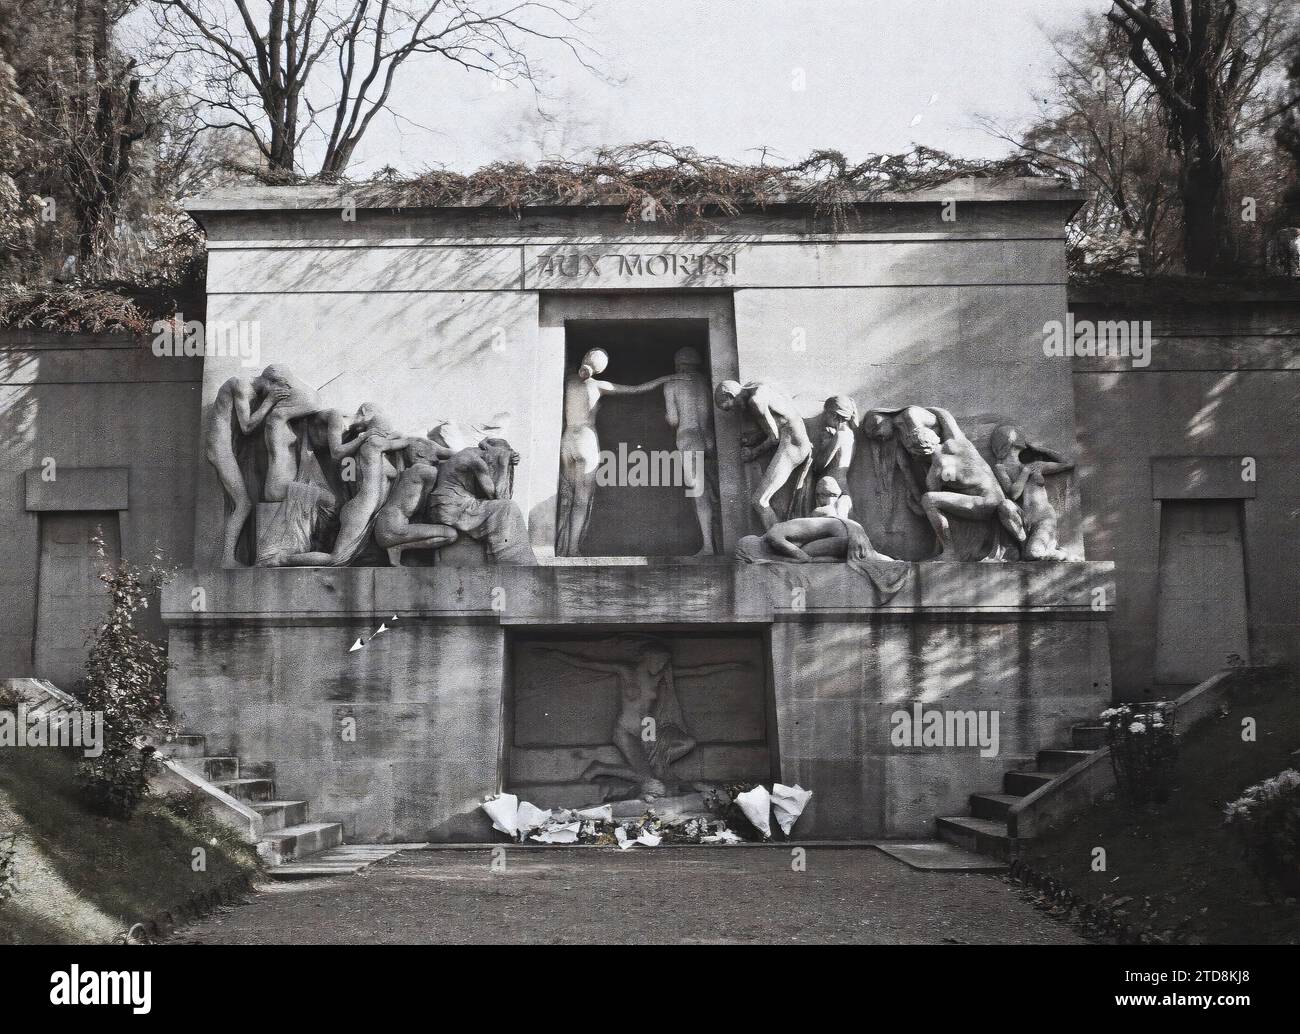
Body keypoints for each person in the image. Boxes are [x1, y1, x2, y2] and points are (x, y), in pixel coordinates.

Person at [556, 349, 671, 556]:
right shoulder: (598, 385)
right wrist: (667, 378)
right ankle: (572, 549)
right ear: (601, 369)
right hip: (585, 438)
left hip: (567, 439)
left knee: (566, 495)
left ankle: (561, 547)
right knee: (582, 499)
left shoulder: (567, 382)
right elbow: (637, 389)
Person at [205, 375, 288, 565]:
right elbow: (247, 426)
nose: (275, 395)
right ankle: (226, 559)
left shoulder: (249, 391)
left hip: (228, 448)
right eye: (276, 390)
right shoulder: (240, 384)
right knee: (244, 504)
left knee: (239, 503)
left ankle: (228, 557)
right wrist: (269, 401)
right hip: (220, 448)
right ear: (269, 382)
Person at [713, 379, 812, 530]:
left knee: (759, 501)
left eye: (729, 407)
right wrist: (753, 438)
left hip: (793, 446)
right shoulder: (758, 386)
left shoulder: (755, 401)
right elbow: (779, 423)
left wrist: (752, 453)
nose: (735, 411)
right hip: (794, 440)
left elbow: (774, 438)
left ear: (729, 395)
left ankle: (779, 543)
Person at [662, 347, 720, 555]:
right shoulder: (705, 382)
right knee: (715, 492)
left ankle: (708, 546)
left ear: (678, 364)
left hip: (687, 438)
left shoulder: (672, 384)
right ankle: (715, 543)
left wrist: (666, 417)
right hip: (710, 439)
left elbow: (674, 419)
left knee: (700, 494)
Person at [990, 424, 1075, 560]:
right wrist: (1025, 473)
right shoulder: (1001, 468)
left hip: (1044, 518)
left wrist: (1040, 449)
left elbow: (1069, 463)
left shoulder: (1036, 466)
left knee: (1034, 554)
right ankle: (1033, 547)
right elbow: (1014, 494)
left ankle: (1059, 552)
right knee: (1005, 505)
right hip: (1023, 521)